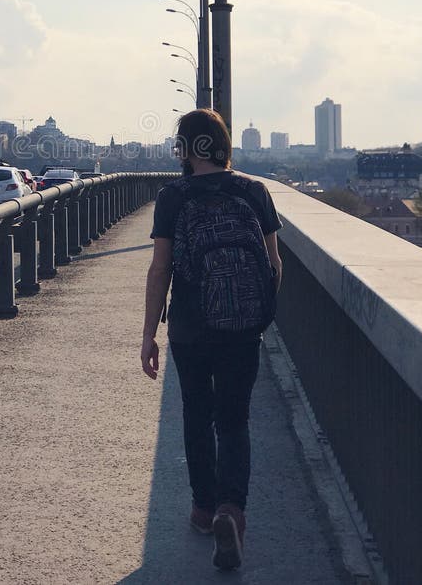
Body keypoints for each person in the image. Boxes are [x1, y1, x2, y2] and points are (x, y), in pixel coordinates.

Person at [141, 109, 282, 571]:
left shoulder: (173, 196)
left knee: (197, 415)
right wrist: (257, 313)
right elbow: (273, 264)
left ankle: (204, 509)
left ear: (184, 150)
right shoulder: (254, 190)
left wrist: (149, 334)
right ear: (223, 145)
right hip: (243, 328)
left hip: (190, 326)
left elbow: (161, 268)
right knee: (235, 419)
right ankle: (232, 511)